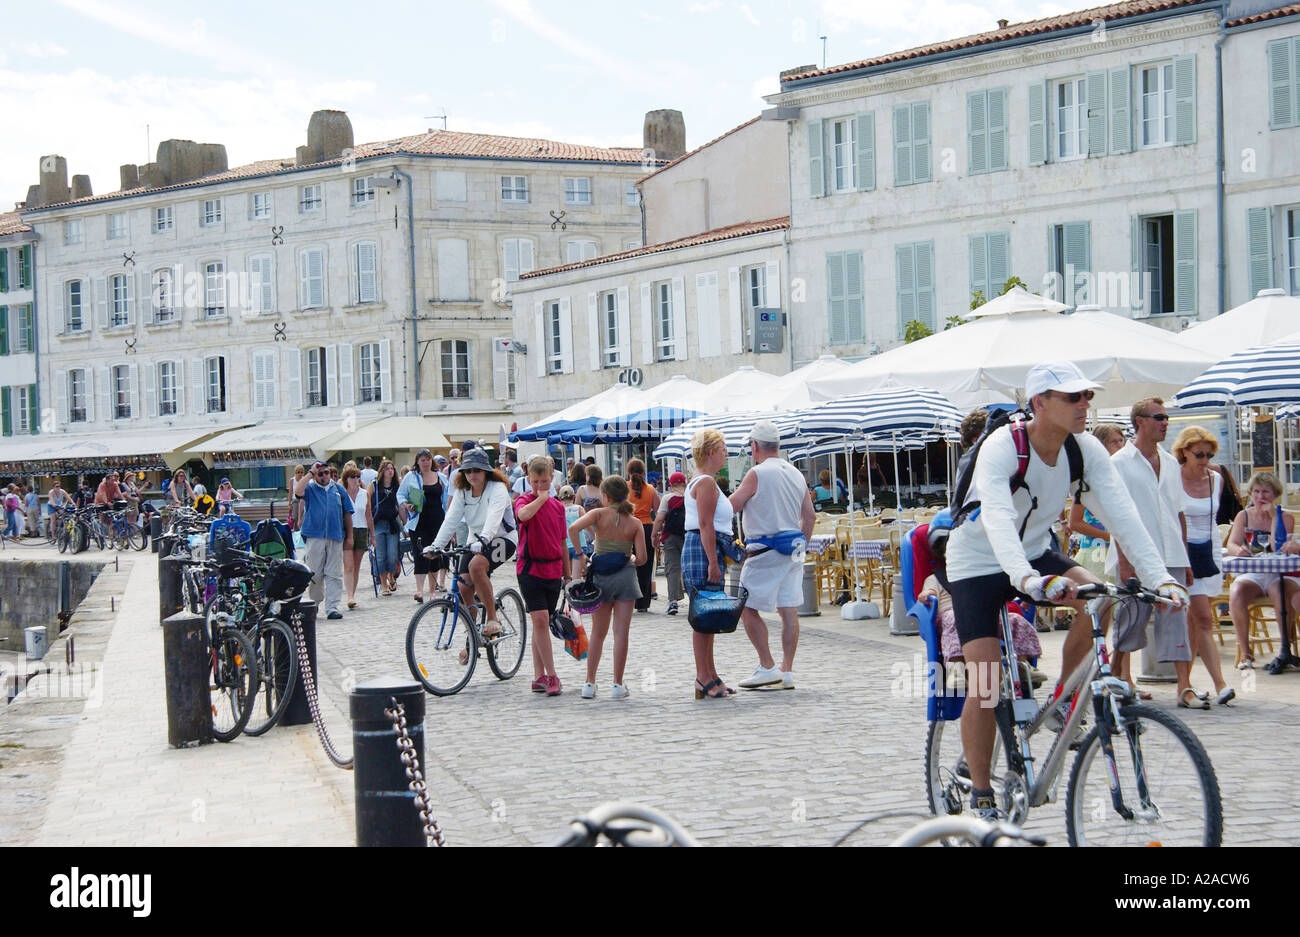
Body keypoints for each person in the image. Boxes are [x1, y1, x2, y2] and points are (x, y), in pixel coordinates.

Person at [944, 362, 1186, 821]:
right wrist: (1026, 579)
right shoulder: (1003, 446)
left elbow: (1123, 518)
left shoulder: (1085, 450)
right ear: (1039, 403)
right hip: (978, 562)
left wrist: (1161, 578)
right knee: (985, 681)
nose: (1084, 404)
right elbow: (996, 516)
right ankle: (979, 792)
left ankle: (1061, 701)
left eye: (1088, 396)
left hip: (1033, 552)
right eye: (1072, 397)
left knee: (1098, 597)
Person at [1108, 397, 1200, 710]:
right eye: (1159, 417)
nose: (1165, 423)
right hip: (1136, 553)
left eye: (1166, 417)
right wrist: (1123, 560)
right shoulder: (1119, 463)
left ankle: (1184, 687)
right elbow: (1115, 516)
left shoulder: (1172, 463)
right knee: (1130, 620)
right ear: (1140, 421)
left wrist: (1185, 558)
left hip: (1171, 552)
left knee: (1177, 618)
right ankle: (1120, 680)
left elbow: (1179, 512)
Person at [730, 420, 816, 690]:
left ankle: (767, 665)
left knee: (746, 605)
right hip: (793, 550)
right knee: (788, 609)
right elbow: (810, 517)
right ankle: (786, 670)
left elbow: (733, 505)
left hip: (764, 549)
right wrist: (801, 543)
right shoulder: (795, 474)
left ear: (755, 446)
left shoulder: (757, 474)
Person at [426, 448, 519, 660]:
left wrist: (485, 539)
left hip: (502, 538)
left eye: (477, 470)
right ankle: (473, 635)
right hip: (475, 542)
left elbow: (494, 517)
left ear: (486, 471)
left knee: (476, 567)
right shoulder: (462, 492)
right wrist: (435, 546)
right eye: (467, 471)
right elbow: (451, 519)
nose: (472, 475)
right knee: (461, 587)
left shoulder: (497, 489)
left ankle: (492, 619)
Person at [567, 475, 645, 700]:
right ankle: (617, 684)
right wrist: (628, 556)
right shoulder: (634, 523)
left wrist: (581, 555)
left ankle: (589, 683)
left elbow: (573, 528)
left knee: (598, 634)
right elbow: (641, 558)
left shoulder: (598, 515)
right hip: (625, 578)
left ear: (606, 496)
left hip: (601, 577)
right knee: (621, 633)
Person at [1174, 425, 1234, 705]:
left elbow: (1213, 519)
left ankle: (1188, 686)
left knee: (1197, 620)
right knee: (1202, 618)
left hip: (1208, 553)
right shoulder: (1172, 478)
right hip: (1182, 552)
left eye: (1209, 455)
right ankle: (1216, 683)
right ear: (1184, 452)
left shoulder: (1215, 479)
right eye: (1199, 455)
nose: (1204, 461)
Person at [680, 430, 739, 698]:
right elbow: (705, 525)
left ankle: (709, 673)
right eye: (723, 449)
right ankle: (703, 675)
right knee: (703, 613)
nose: (726, 453)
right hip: (703, 549)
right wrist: (713, 562)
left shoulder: (705, 481)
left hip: (705, 547)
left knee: (709, 612)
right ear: (711, 452)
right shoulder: (704, 483)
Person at [1225, 470, 1300, 671]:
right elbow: (1231, 543)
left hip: (1279, 574)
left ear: (1274, 494)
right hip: (1253, 572)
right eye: (1256, 492)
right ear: (1250, 493)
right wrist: (1238, 550)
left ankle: (1284, 649)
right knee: (1237, 592)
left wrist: (1274, 517)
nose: (1260, 497)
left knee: (1280, 592)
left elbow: (1277, 547)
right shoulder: (1243, 516)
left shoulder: (1285, 517)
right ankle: (1246, 654)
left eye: (1266, 492)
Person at [514, 455, 570, 697]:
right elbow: (523, 516)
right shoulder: (524, 500)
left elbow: (562, 542)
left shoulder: (558, 508)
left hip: (553, 569)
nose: (540, 486)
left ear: (552, 479)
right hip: (529, 568)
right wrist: (540, 498)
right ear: (529, 480)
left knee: (543, 623)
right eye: (536, 481)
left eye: (544, 481)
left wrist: (568, 576)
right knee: (538, 619)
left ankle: (538, 676)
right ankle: (552, 674)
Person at [294, 460, 352, 621]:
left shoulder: (338, 489)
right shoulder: (310, 488)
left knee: (334, 573)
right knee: (315, 573)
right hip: (315, 536)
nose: (324, 476)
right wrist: (310, 474)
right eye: (321, 473)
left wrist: (350, 537)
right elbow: (298, 492)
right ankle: (315, 603)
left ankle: (332, 607)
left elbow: (348, 513)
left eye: (326, 473)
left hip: (335, 535)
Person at [399, 449, 446, 603]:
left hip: (437, 519)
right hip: (418, 520)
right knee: (420, 553)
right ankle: (419, 590)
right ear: (417, 462)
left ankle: (432, 591)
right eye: (422, 460)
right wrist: (406, 505)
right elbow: (400, 494)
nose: (425, 463)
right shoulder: (411, 477)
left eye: (428, 459)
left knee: (434, 554)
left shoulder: (441, 477)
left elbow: (447, 498)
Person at [625, 458, 660, 612]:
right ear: (644, 472)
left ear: (628, 472)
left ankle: (627, 599)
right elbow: (658, 511)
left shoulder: (625, 488)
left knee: (627, 564)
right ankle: (643, 603)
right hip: (646, 528)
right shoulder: (651, 489)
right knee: (645, 564)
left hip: (629, 527)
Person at [651, 472, 688, 615]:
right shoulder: (691, 497)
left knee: (673, 568)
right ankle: (695, 600)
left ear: (670, 485)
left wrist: (654, 535)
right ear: (684, 484)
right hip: (688, 536)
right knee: (689, 569)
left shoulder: (667, 498)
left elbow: (659, 519)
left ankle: (673, 602)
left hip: (671, 537)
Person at [368, 459, 404, 596]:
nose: (390, 471)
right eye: (387, 468)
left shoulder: (396, 485)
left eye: (392, 468)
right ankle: (384, 585)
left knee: (393, 555)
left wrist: (405, 524)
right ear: (382, 471)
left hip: (392, 524)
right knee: (380, 555)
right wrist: (368, 524)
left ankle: (391, 576)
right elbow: (368, 505)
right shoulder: (374, 485)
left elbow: (399, 506)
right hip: (377, 524)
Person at [341, 466, 369, 610]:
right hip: (347, 530)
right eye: (352, 477)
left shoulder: (364, 493)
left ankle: (352, 594)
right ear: (346, 480)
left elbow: (368, 514)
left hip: (362, 529)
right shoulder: (342, 494)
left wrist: (373, 535)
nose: (356, 480)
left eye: (358, 477)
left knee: (356, 566)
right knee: (348, 565)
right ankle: (349, 596)